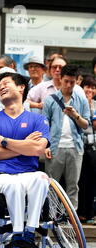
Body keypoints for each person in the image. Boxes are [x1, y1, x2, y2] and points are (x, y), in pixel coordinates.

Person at [0, 71, 50, 248]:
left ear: (21, 87)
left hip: (29, 172)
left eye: (6, 83)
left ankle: (29, 233)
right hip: (1, 174)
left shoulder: (38, 119)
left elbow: (39, 149)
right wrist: (25, 145)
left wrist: (4, 142)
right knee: (14, 185)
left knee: (42, 178)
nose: (1, 87)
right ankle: (17, 235)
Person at [42, 64, 91, 211]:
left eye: (72, 82)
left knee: (73, 185)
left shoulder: (81, 100)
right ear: (60, 79)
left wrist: (75, 115)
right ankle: (50, 215)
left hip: (75, 147)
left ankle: (71, 218)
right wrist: (46, 146)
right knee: (51, 184)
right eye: (66, 81)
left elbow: (85, 125)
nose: (69, 85)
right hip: (55, 147)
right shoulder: (50, 100)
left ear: (77, 81)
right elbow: (44, 125)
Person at [77, 75, 96, 223]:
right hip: (79, 146)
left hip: (93, 148)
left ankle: (90, 213)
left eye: (93, 87)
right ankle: (80, 212)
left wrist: (91, 106)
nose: (90, 89)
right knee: (80, 181)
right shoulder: (78, 103)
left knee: (92, 181)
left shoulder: (95, 104)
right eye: (87, 86)